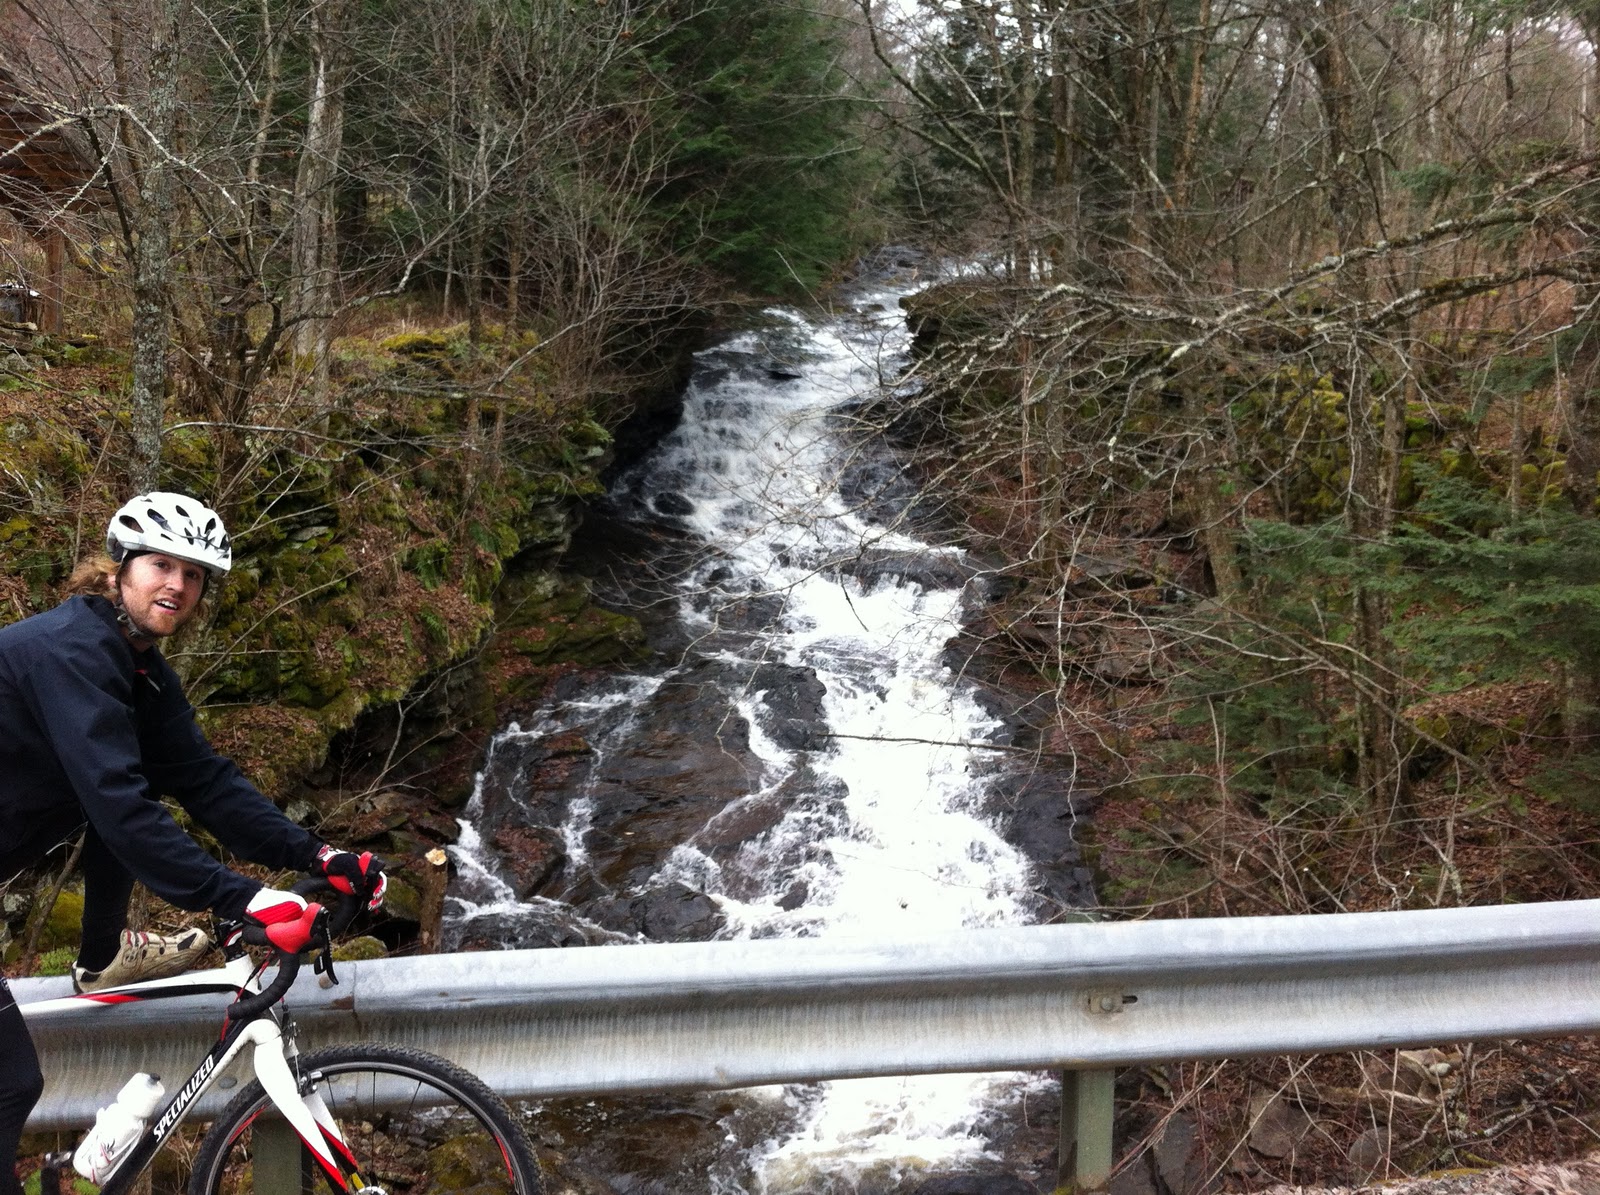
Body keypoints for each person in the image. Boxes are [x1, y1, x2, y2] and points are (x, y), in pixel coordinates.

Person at [0, 492, 385, 1195]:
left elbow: (204, 782)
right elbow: (118, 807)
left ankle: (99, 956)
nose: (177, 583)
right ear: (118, 568)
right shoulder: (73, 652)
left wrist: (318, 855)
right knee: (9, 1085)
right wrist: (242, 895)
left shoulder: (139, 672)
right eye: (160, 564)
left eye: (195, 573)